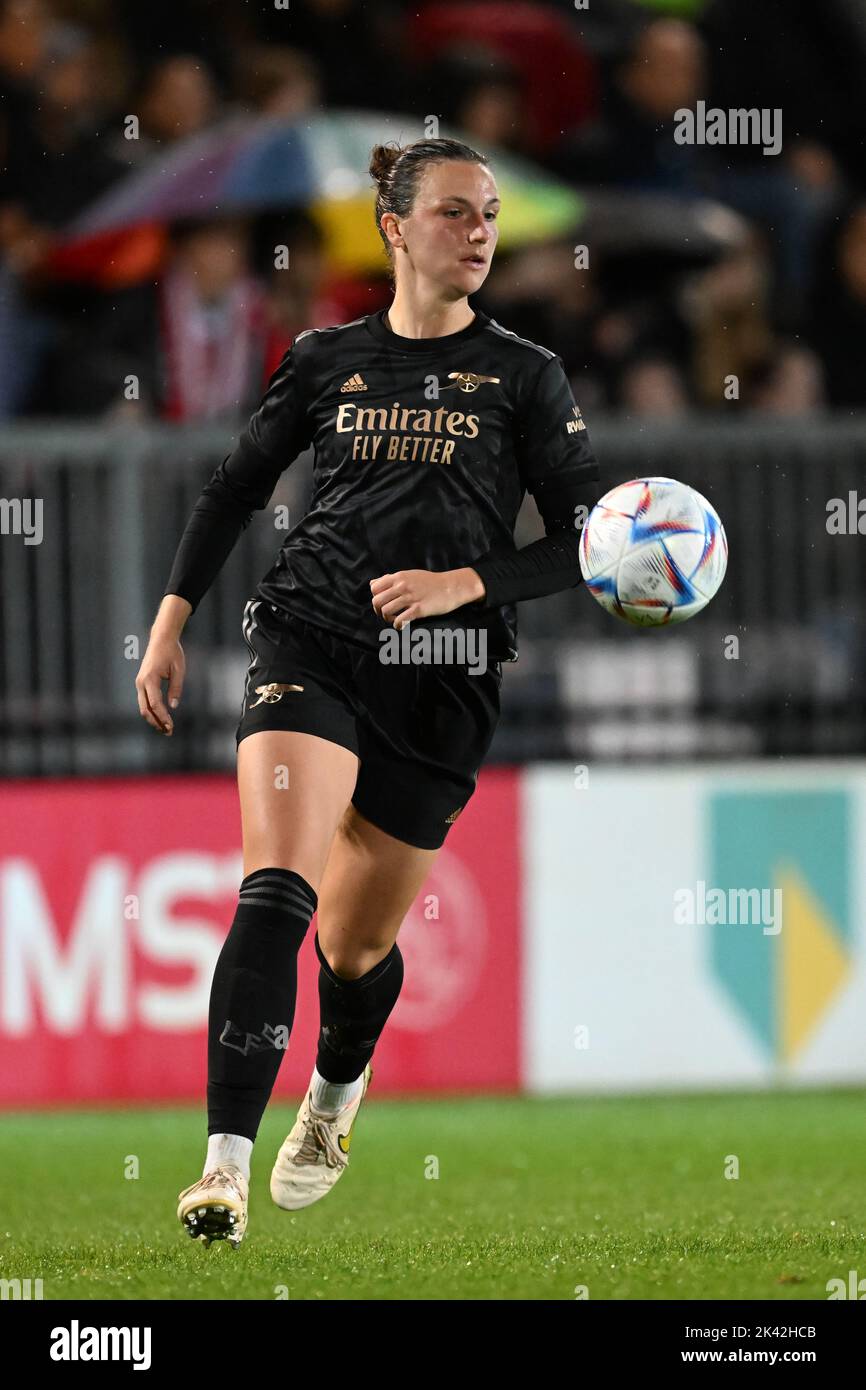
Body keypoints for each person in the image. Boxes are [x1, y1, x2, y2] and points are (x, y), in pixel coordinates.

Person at [134, 136, 601, 1247]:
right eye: (453, 212)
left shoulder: (524, 375)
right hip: (313, 638)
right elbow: (235, 486)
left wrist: (463, 583)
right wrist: (170, 621)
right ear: (394, 229)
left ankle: (336, 1095)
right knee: (274, 890)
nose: (478, 232)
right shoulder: (324, 356)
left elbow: (585, 542)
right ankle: (221, 1170)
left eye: (487, 214)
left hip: (442, 683)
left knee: (350, 951)